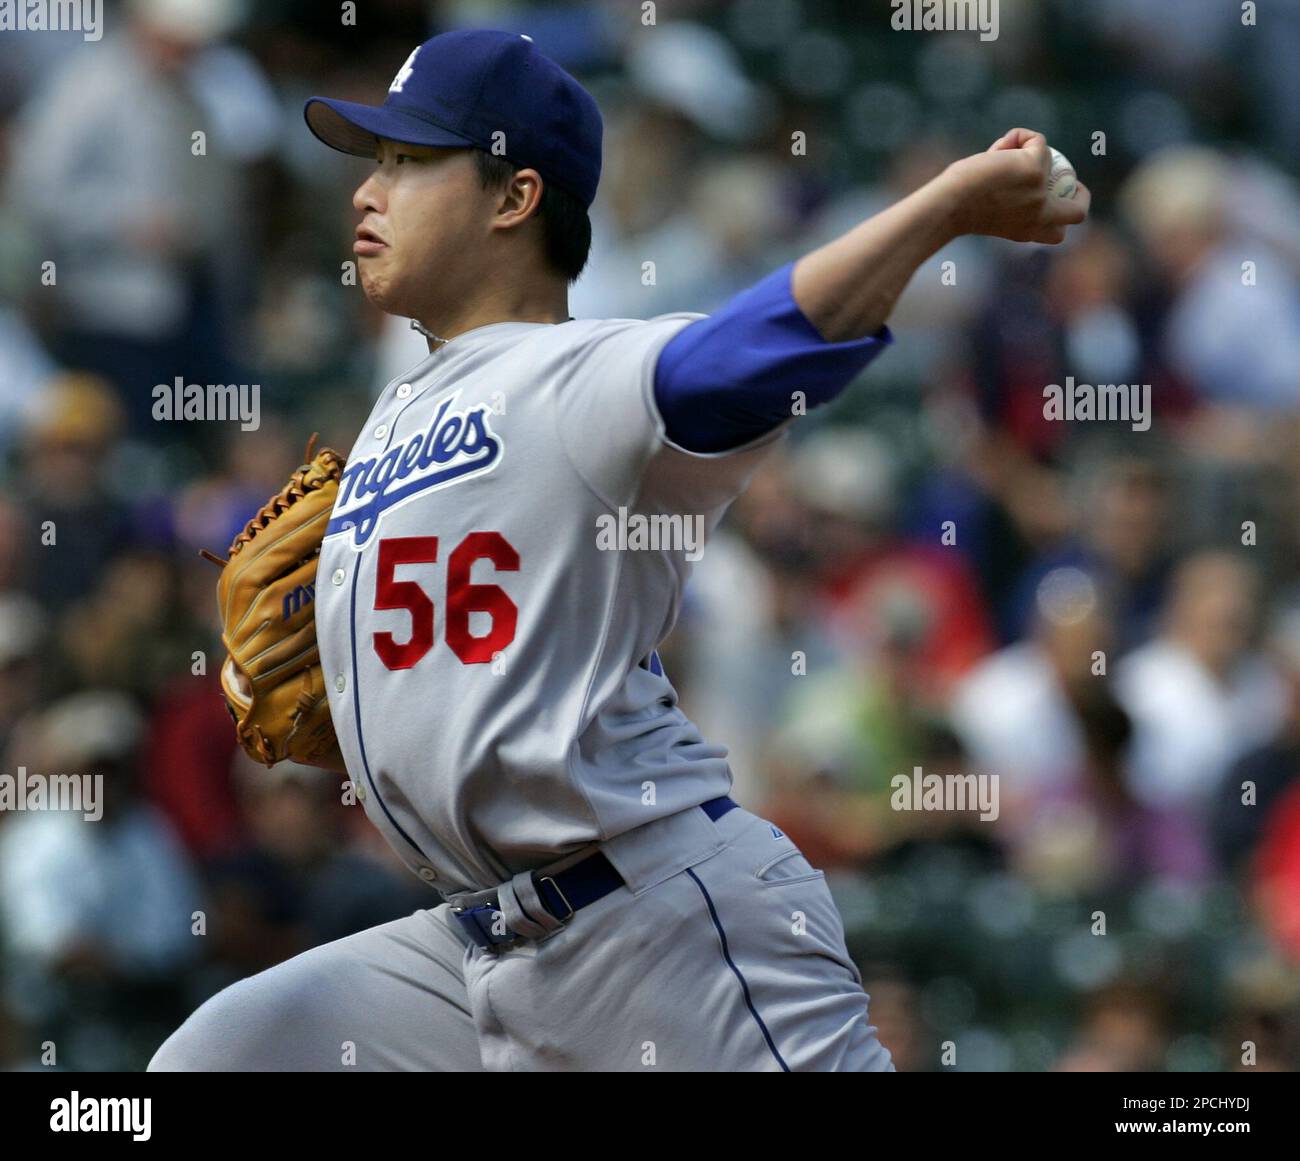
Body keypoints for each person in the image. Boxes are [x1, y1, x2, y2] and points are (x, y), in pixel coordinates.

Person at [151, 28, 1087, 1072]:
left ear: (513, 199)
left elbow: (752, 352)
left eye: (410, 163)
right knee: (222, 1057)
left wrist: (944, 208)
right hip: (482, 942)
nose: (369, 193)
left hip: (661, 923)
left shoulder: (573, 376)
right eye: (373, 163)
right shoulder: (391, 417)